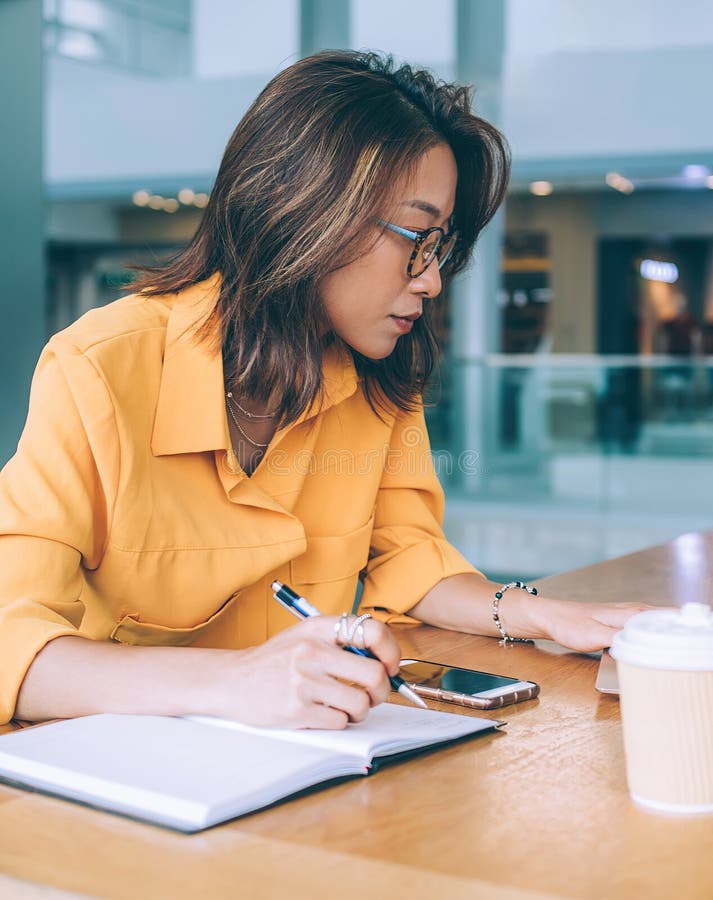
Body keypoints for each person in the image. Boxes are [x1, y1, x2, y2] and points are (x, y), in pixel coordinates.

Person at [0, 51, 646, 730]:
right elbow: (10, 640)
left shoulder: (378, 377)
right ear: (306, 210)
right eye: (416, 239)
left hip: (312, 765)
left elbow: (407, 560)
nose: (430, 280)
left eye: (442, 247)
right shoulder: (99, 368)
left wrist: (546, 614)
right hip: (121, 794)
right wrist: (237, 682)